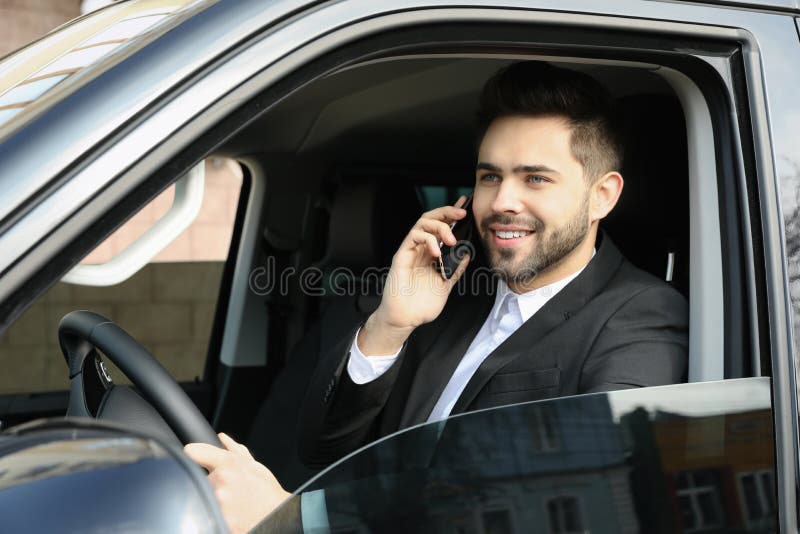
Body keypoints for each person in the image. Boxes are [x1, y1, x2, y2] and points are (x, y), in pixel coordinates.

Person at [184, 60, 689, 532]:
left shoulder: (642, 318)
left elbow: (567, 507)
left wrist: (295, 520)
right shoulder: (451, 291)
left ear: (603, 195)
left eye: (535, 178)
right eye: (490, 176)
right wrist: (390, 323)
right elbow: (323, 448)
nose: (502, 202)